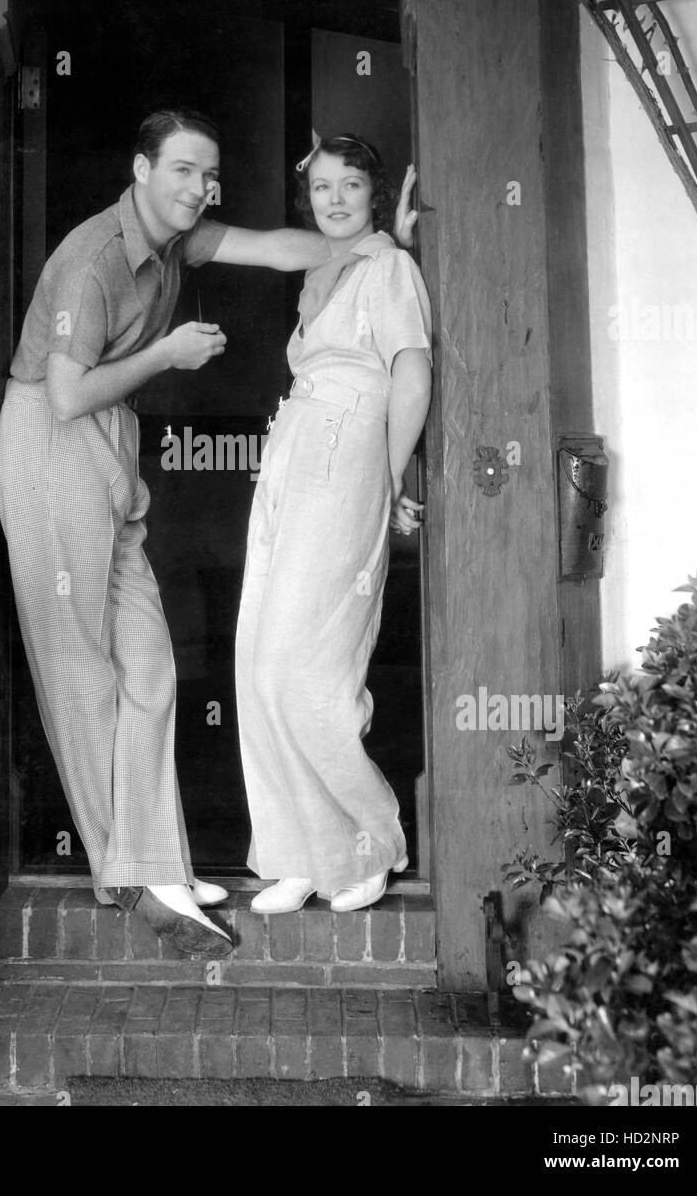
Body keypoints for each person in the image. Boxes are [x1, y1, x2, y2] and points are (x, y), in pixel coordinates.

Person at [0, 108, 334, 958]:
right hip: (53, 439)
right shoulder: (92, 261)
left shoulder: (178, 239)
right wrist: (170, 353)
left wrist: (365, 239)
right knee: (82, 668)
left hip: (111, 439)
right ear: (141, 169)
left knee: (148, 663)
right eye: (182, 170)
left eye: (207, 173)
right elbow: (68, 395)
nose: (199, 187)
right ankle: (143, 875)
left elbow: (271, 247)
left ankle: (152, 862)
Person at [236, 132, 433, 915]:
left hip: (346, 451)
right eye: (323, 187)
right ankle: (297, 854)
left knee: (306, 669)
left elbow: (411, 377)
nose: (337, 198)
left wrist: (385, 484)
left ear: (374, 195)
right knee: (258, 662)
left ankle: (368, 841)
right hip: (293, 450)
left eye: (352, 184)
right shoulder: (329, 269)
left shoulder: (389, 266)